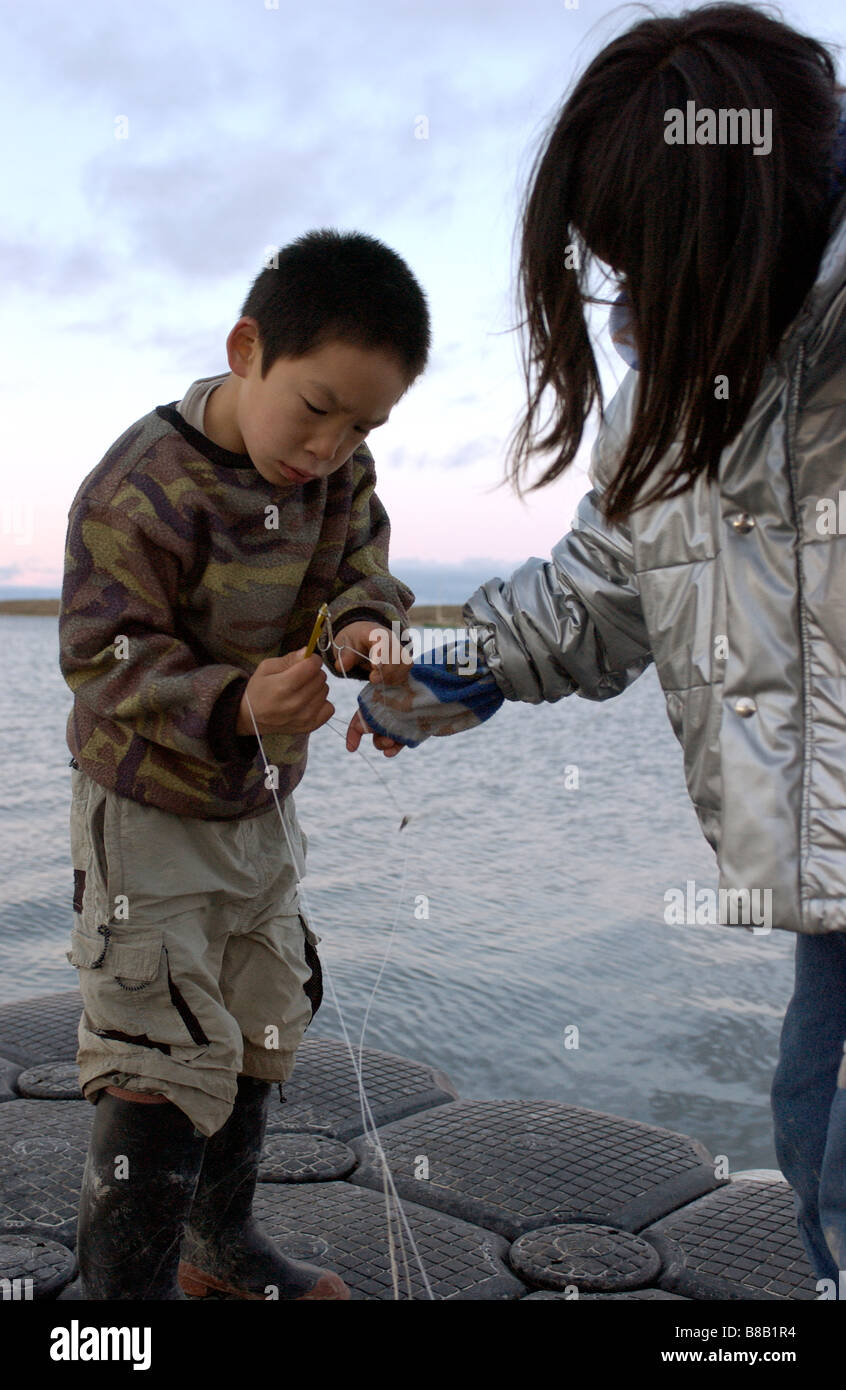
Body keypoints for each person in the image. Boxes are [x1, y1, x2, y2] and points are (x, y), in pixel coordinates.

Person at [350, 4, 846, 1292]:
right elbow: (598, 594)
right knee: (813, 1133)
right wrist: (429, 680)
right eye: (604, 269)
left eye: (641, 269)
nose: (621, 314)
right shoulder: (669, 401)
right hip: (832, 893)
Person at [59, 227, 430, 1299]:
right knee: (159, 1047)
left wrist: (364, 633)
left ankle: (217, 1251)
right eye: (316, 406)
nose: (331, 444)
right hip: (146, 813)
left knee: (267, 1010)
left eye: (364, 422)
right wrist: (235, 699)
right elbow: (95, 654)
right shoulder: (141, 484)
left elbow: (364, 566)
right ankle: (114, 1311)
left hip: (261, 811)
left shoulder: (340, 468)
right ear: (246, 348)